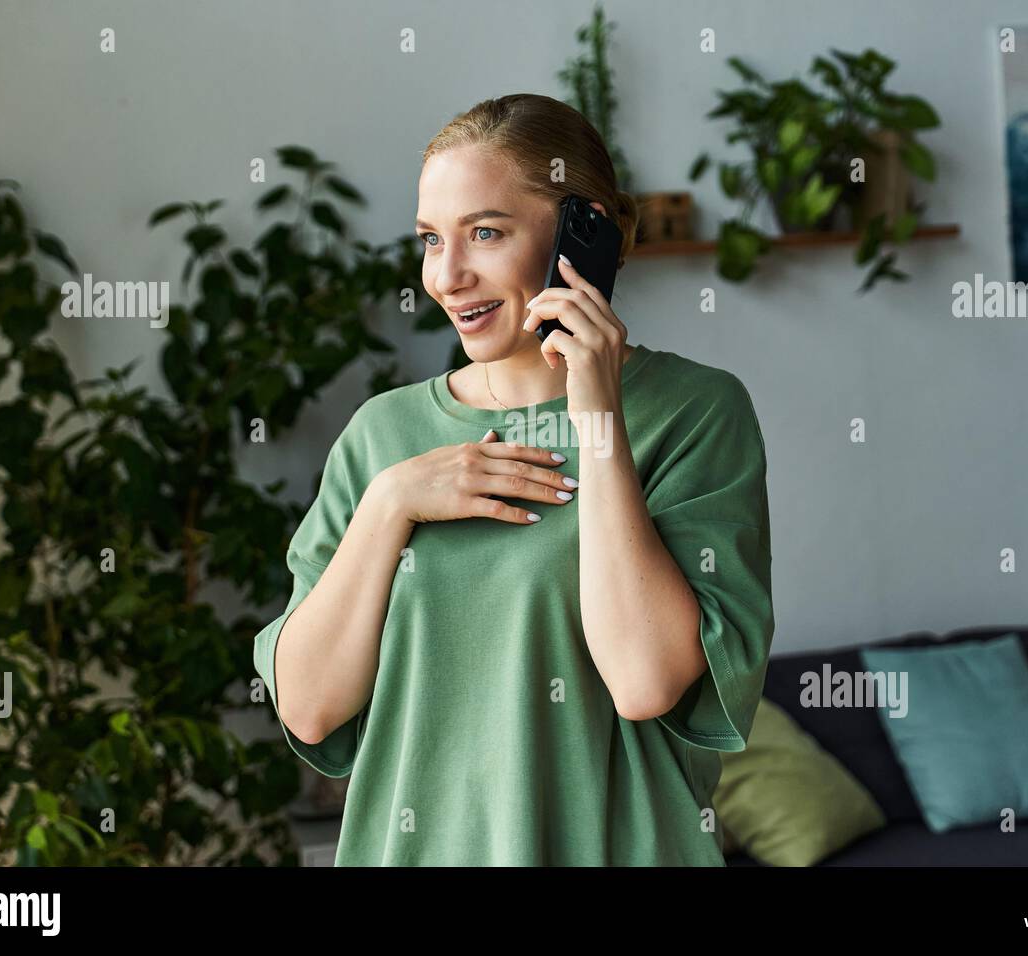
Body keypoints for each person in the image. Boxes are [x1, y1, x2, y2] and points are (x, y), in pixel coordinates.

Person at [252, 92, 775, 865]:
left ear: (584, 234)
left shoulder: (695, 412)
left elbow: (644, 682)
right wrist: (390, 504)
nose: (447, 276)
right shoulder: (382, 437)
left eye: (486, 233)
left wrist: (597, 417)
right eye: (431, 240)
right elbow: (308, 708)